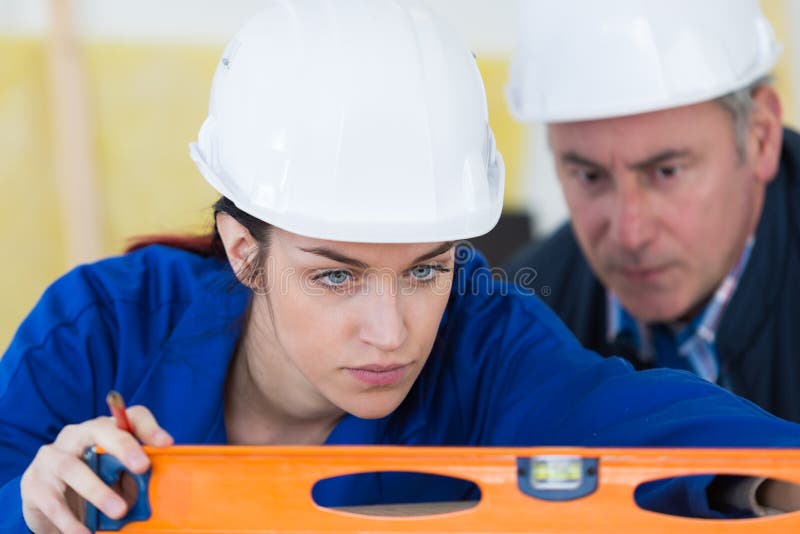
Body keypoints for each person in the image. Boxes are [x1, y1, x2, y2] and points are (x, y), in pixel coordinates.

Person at [1, 1, 800, 532]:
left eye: (425, 269)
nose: (393, 334)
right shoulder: (95, 333)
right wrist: (27, 509)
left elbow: (647, 424)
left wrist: (768, 482)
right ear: (246, 252)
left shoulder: (484, 341)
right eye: (336, 276)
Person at [504, 0, 800, 422]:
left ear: (761, 139)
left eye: (666, 171)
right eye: (589, 176)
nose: (630, 233)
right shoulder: (522, 325)